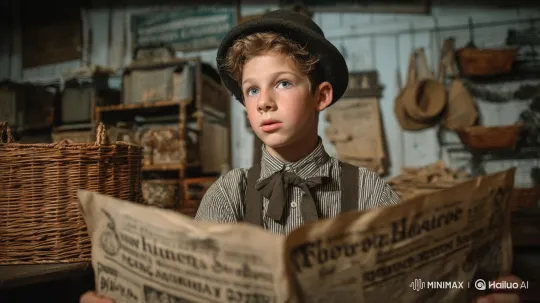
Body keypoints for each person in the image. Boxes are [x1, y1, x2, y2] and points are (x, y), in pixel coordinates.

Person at [81, 9, 521, 303]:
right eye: (252, 89)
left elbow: (419, 279)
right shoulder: (229, 191)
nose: (264, 102)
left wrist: (486, 285)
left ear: (321, 95)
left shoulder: (367, 189)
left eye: (284, 83)